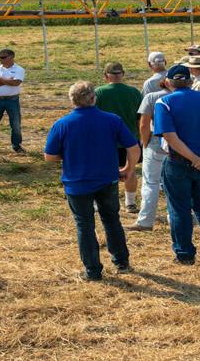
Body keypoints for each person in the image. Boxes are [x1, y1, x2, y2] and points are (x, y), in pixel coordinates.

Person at [43, 81, 140, 281]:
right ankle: (121, 261)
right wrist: (129, 169)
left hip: (77, 182)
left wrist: (70, 154)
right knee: (111, 219)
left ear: (72, 100)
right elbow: (133, 147)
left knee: (84, 225)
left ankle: (93, 270)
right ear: (94, 98)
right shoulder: (112, 120)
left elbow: (50, 156)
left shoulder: (62, 124)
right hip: (107, 179)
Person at [151, 64, 200, 265]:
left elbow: (170, 136)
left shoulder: (164, 102)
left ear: (168, 82)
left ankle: (185, 254)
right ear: (190, 81)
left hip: (177, 162)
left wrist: (194, 159)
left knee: (179, 209)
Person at [94, 61, 144, 213]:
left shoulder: (99, 92)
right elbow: (139, 118)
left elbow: (94, 116)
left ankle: (101, 202)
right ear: (122, 74)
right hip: (130, 140)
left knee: (102, 171)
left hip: (106, 140)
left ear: (105, 76)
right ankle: (130, 203)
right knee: (130, 171)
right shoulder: (134, 92)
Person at [133, 78, 172, 231]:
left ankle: (145, 221)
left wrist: (145, 143)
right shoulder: (184, 96)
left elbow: (143, 124)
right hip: (177, 144)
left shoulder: (151, 97)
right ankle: (174, 217)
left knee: (150, 183)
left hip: (156, 142)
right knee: (174, 183)